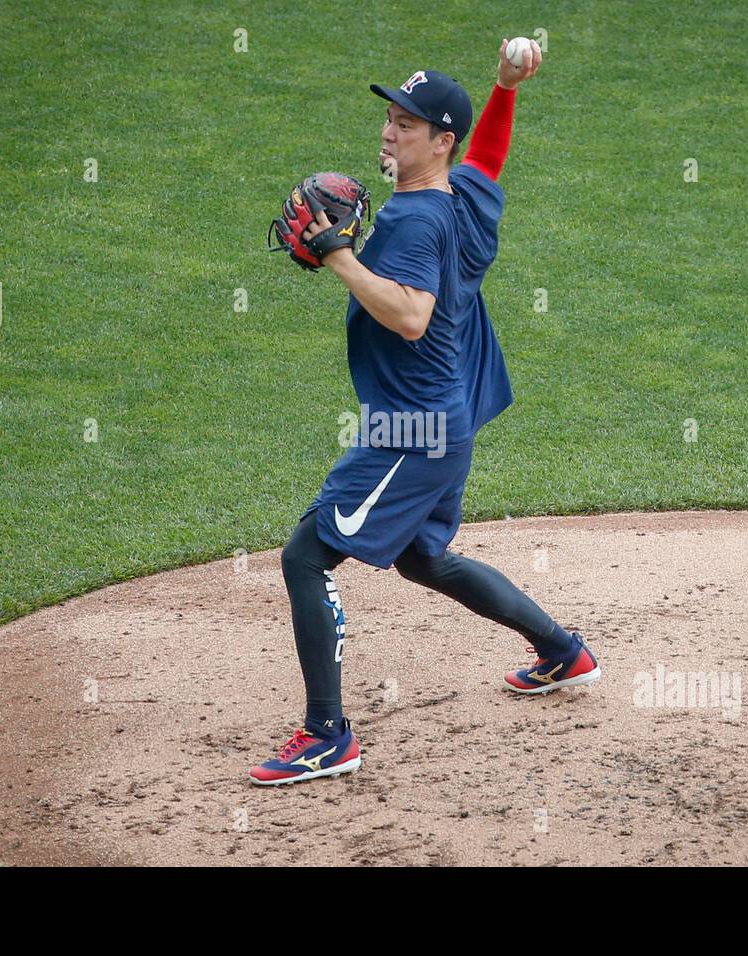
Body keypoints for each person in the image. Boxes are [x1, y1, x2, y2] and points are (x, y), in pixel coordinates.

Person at [250, 39, 599, 786]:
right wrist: (506, 87)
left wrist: (338, 254)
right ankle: (563, 652)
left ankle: (327, 736)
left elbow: (409, 315)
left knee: (306, 556)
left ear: (440, 141)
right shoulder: (462, 198)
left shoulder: (413, 222)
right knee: (424, 558)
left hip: (413, 429)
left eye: (407, 124)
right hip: (449, 421)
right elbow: (491, 158)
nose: (388, 130)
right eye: (389, 116)